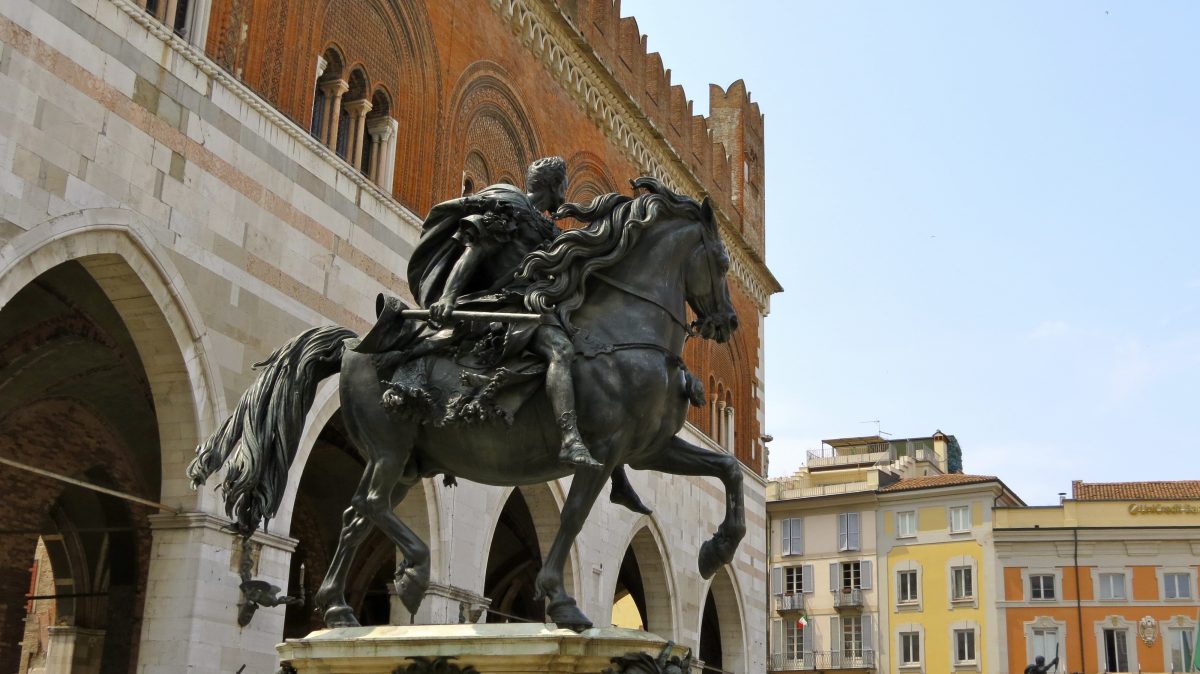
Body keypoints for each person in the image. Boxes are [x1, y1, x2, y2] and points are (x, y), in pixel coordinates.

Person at [405, 157, 602, 469]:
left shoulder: (548, 228)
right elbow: (475, 251)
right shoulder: (511, 208)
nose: (567, 189)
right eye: (565, 182)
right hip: (504, 306)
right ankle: (568, 439)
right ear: (554, 184)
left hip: (537, 307)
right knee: (561, 350)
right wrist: (448, 297)